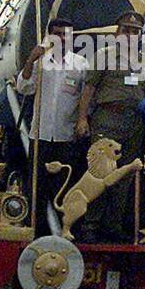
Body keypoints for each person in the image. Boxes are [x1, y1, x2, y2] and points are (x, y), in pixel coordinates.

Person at [75, 11, 145, 241]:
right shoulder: (103, 55)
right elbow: (89, 89)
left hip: (134, 122)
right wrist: (82, 119)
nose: (130, 35)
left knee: (124, 177)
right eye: (126, 30)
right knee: (99, 174)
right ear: (117, 33)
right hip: (107, 120)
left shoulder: (144, 60)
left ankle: (113, 226)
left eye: (135, 31)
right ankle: (90, 227)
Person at [16, 17, 88, 216]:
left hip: (66, 137)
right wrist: (31, 59)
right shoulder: (41, 62)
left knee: (64, 187)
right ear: (50, 36)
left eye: (66, 35)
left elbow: (85, 98)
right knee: (36, 188)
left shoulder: (80, 64)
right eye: (57, 34)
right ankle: (36, 231)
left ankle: (62, 232)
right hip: (41, 136)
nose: (62, 39)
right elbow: (23, 88)